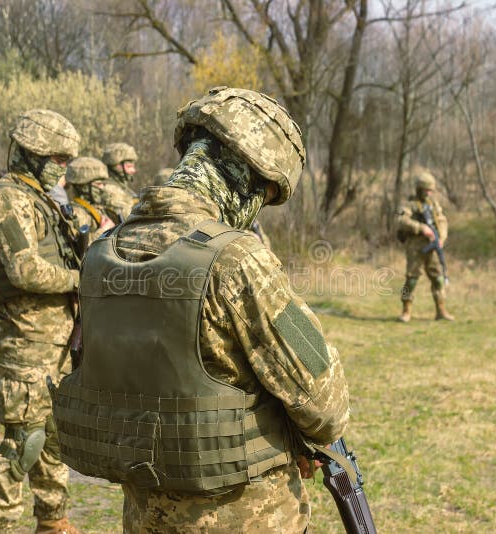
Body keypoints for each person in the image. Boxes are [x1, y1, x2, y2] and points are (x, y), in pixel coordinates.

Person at [51, 87, 350, 533]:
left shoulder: (102, 254)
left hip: (145, 518)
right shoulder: (237, 260)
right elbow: (326, 405)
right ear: (249, 178)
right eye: (265, 195)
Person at [0, 109, 82, 534]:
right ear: (32, 155)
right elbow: (24, 271)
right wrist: (79, 279)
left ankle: (54, 522)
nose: (63, 169)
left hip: (55, 342)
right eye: (58, 159)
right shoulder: (7, 199)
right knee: (24, 442)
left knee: (53, 438)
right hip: (25, 341)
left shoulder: (42, 201)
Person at [396, 169, 453, 322]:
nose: (429, 193)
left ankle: (441, 310)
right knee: (412, 279)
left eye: (431, 190)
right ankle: (406, 310)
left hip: (433, 246)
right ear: (420, 189)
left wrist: (441, 238)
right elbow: (401, 221)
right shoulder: (410, 205)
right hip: (415, 247)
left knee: (438, 279)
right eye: (426, 190)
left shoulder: (433, 205)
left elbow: (442, 221)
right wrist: (421, 228)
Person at [64, 156, 116, 241]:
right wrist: (104, 232)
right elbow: (79, 249)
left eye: (103, 184)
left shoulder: (95, 208)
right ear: (83, 187)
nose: (102, 188)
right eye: (98, 184)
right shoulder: (77, 214)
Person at [100, 142, 140, 215]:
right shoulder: (110, 190)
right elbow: (127, 217)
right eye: (129, 166)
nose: (133, 171)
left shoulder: (123, 187)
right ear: (117, 166)